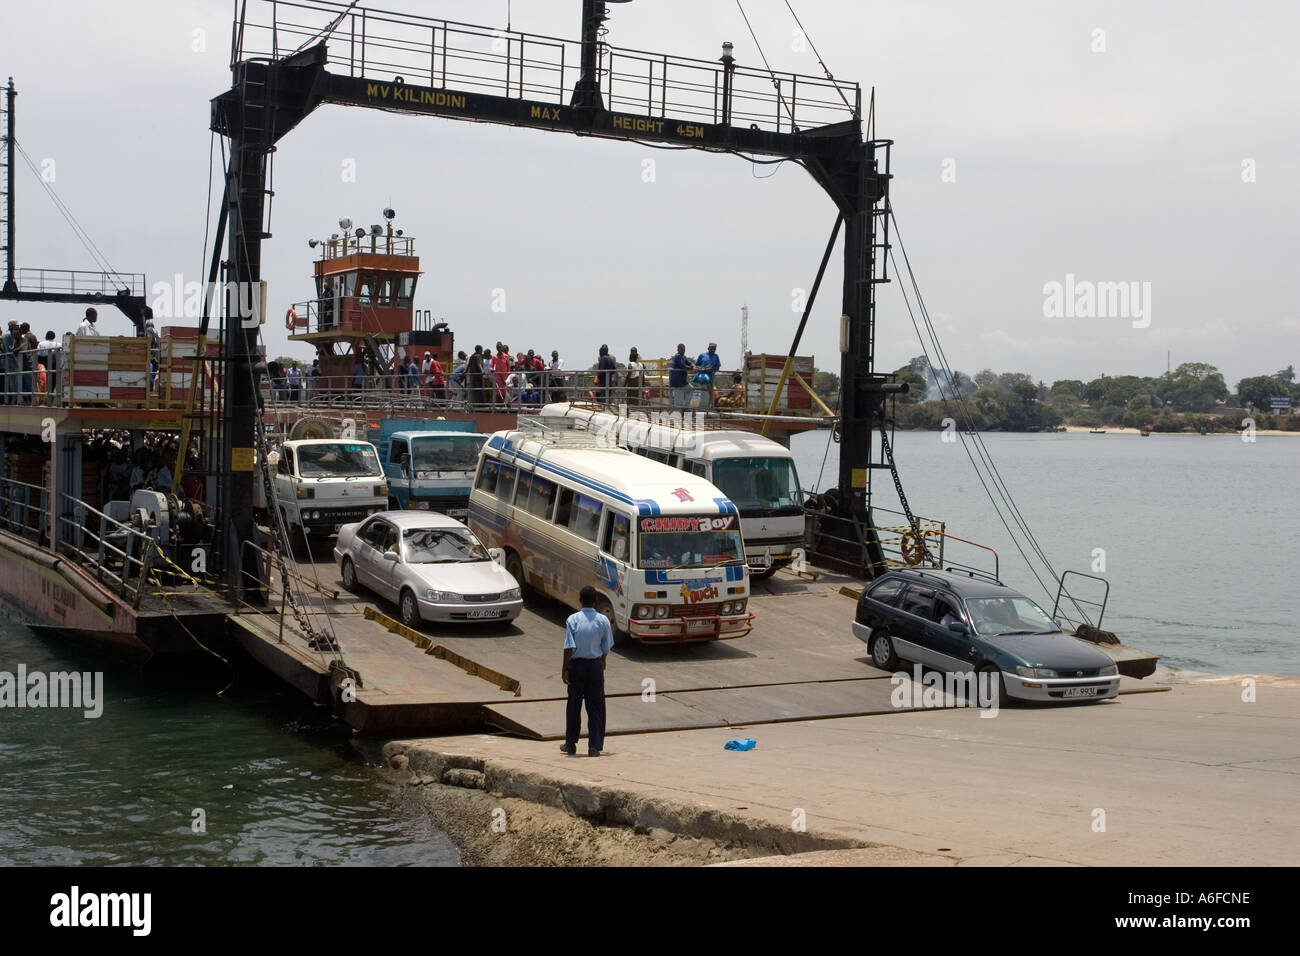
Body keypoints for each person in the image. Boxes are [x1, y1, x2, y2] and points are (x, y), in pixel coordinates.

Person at [561, 585, 614, 757]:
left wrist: (565, 668)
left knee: (574, 705)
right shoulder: (603, 620)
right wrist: (603, 660)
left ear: (580, 600)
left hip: (577, 665)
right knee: (596, 706)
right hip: (595, 666)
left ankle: (570, 744)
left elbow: (569, 646)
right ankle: (595, 746)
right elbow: (606, 645)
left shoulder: (573, 619)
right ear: (596, 601)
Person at [668, 343, 694, 408]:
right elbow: (683, 366)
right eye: (682, 349)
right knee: (679, 403)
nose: (683, 351)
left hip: (683, 382)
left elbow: (689, 363)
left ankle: (686, 406)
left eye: (684, 349)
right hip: (677, 382)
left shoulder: (684, 357)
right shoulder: (677, 356)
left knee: (691, 389)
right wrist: (691, 368)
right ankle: (678, 415)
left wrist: (693, 365)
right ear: (678, 349)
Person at [38, 331, 59, 404]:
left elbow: (39, 355)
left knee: (43, 382)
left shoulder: (41, 343)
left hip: (44, 364)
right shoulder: (58, 344)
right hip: (54, 365)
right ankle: (50, 398)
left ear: (46, 336)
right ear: (54, 337)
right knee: (53, 382)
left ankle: (44, 398)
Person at [20, 322, 39, 404]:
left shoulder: (26, 337)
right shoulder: (33, 335)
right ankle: (32, 399)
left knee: (27, 381)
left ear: (25, 328)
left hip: (28, 362)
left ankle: (29, 400)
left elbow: (25, 350)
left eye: (21, 328)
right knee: (31, 380)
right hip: (34, 360)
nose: (20, 329)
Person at [3, 321, 19, 405]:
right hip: (15, 361)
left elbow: (5, 349)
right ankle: (15, 400)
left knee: (10, 383)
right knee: (15, 383)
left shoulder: (4, 336)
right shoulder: (13, 336)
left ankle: (11, 399)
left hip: (8, 361)